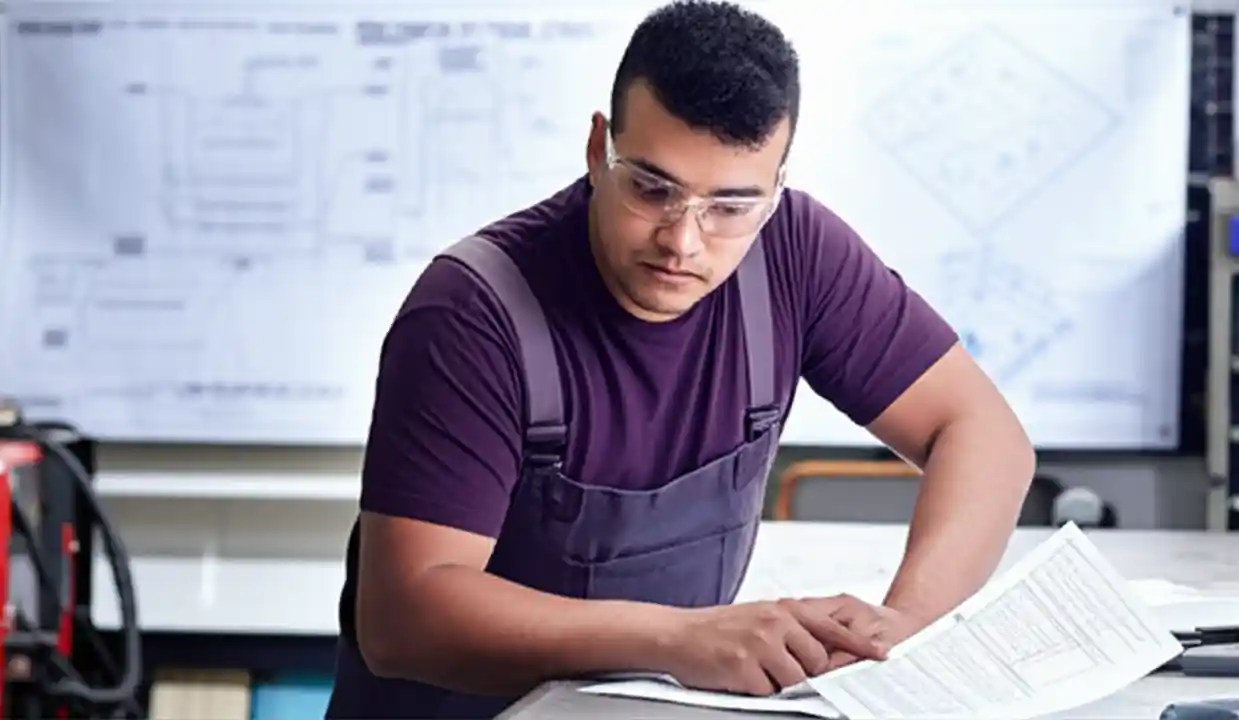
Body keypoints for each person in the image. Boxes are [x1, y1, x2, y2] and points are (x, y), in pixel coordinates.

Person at [325, 1, 1036, 717]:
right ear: (598, 148)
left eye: (730, 205)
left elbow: (982, 435)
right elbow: (404, 619)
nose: (683, 242)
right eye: (652, 189)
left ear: (776, 186)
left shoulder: (795, 254)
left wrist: (905, 627)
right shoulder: (472, 313)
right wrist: (679, 639)